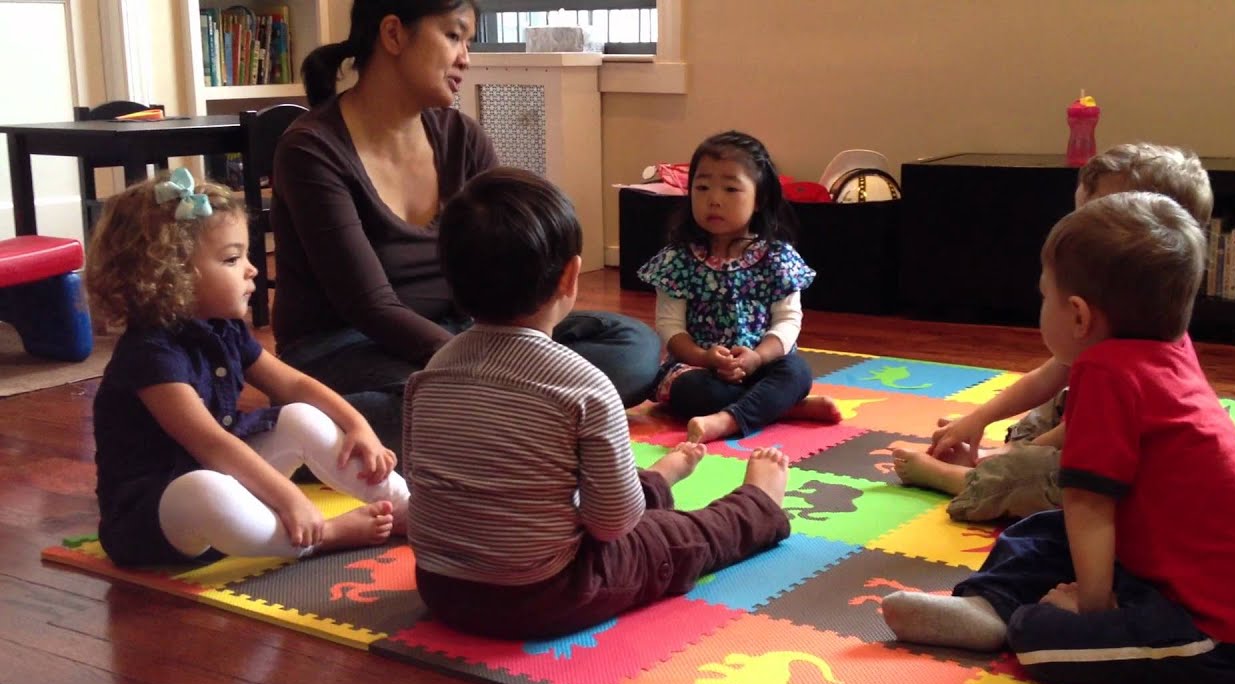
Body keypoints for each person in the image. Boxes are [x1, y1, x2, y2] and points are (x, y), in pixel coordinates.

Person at [881, 192, 1235, 684]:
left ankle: (1017, 619)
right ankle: (986, 606)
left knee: (1040, 637)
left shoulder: (1104, 374)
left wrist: (1090, 607)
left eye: (1042, 295)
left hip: (1225, 636)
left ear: (1078, 316)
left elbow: (1090, 505)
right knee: (1045, 531)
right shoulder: (1166, 349)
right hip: (1169, 572)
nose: (1040, 307)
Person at [403, 167, 792, 640]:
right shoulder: (582, 384)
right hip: (546, 594)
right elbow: (613, 526)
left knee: (570, 495)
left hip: (442, 588)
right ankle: (757, 505)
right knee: (679, 537)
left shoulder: (432, 370)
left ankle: (657, 479)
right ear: (571, 276)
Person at [270, 1, 661, 458]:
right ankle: (523, 409)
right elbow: (369, 307)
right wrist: (509, 365)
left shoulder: (461, 137)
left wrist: (516, 344)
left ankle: (491, 413)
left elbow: (512, 251)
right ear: (393, 34)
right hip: (346, 346)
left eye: (469, 42)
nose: (466, 57)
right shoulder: (311, 149)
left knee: (634, 347)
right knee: (412, 407)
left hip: (469, 329)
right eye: (454, 36)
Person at [84, 168, 410, 568]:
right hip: (158, 517)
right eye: (232, 259)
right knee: (204, 489)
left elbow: (295, 384)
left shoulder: (224, 330)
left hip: (229, 479)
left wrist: (358, 425)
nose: (253, 269)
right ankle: (320, 536)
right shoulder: (149, 354)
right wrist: (290, 497)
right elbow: (211, 444)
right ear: (171, 277)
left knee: (300, 418)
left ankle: (407, 509)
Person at [892, 143, 1214, 522]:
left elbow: (1090, 430)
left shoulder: (1141, 338)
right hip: (1083, 432)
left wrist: (1020, 458)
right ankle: (999, 466)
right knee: (1050, 409)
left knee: (1056, 481)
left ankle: (960, 479)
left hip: (1120, 469)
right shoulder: (1112, 313)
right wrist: (979, 418)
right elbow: (1051, 374)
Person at [636, 130, 841, 444]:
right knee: (691, 392)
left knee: (796, 372)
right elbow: (670, 327)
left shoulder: (777, 257)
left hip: (761, 363)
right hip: (700, 367)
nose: (714, 199)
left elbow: (788, 321)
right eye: (702, 187)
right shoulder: (677, 259)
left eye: (731, 189)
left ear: (759, 199)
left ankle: (727, 420)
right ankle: (782, 408)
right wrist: (705, 357)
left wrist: (757, 358)